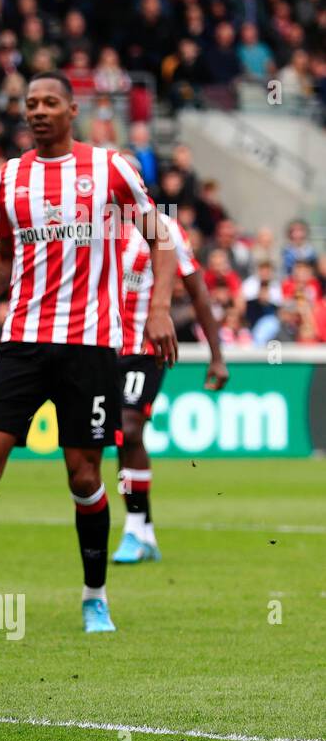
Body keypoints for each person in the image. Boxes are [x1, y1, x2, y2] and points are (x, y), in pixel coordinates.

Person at [0, 71, 179, 634]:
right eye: (30, 103)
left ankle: (94, 594)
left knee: (82, 475)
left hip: (91, 346)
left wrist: (157, 309)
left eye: (50, 102)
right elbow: (3, 257)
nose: (38, 111)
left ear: (73, 108)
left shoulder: (110, 170)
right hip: (24, 340)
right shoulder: (10, 178)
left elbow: (162, 235)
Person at [113, 214, 227, 563]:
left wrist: (217, 356)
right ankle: (145, 530)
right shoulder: (94, 223)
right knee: (120, 435)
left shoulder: (165, 228)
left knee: (130, 428)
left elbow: (197, 292)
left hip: (147, 348)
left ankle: (134, 528)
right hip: (101, 347)